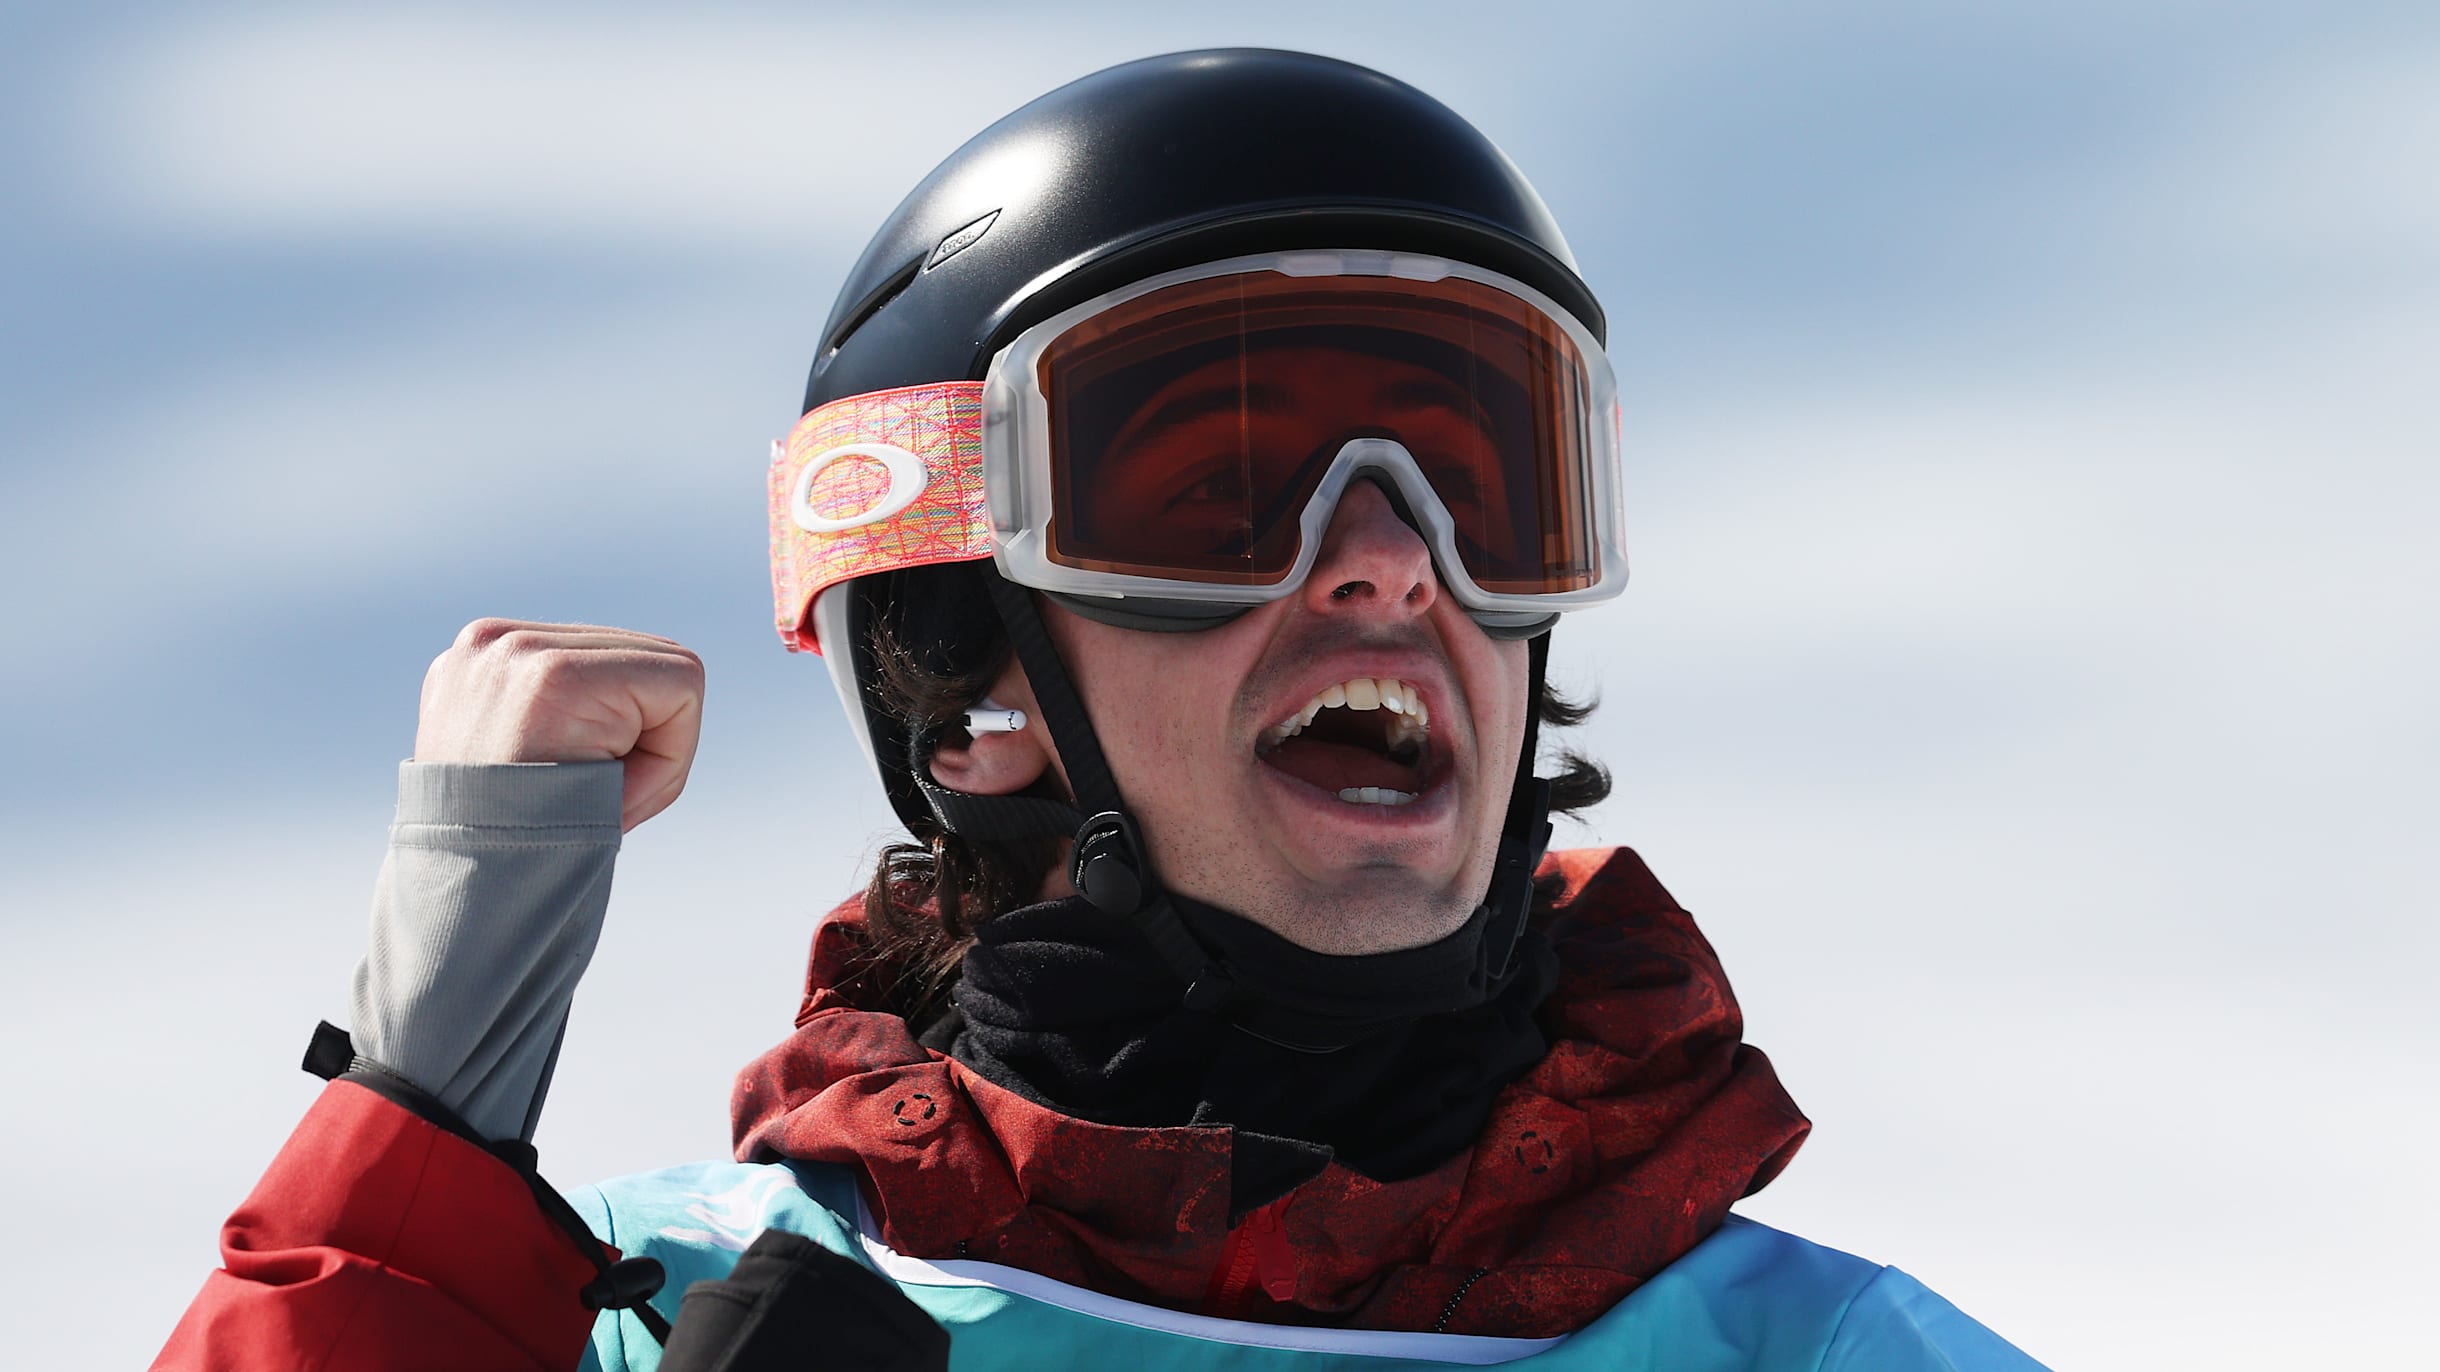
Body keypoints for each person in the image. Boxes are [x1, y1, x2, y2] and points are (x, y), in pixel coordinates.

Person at [158, 49, 2047, 1371]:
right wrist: (407, 1183)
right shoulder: (651, 1317)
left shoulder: (1818, 1355)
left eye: (1487, 479)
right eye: (1223, 483)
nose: (1391, 564)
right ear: (983, 680)